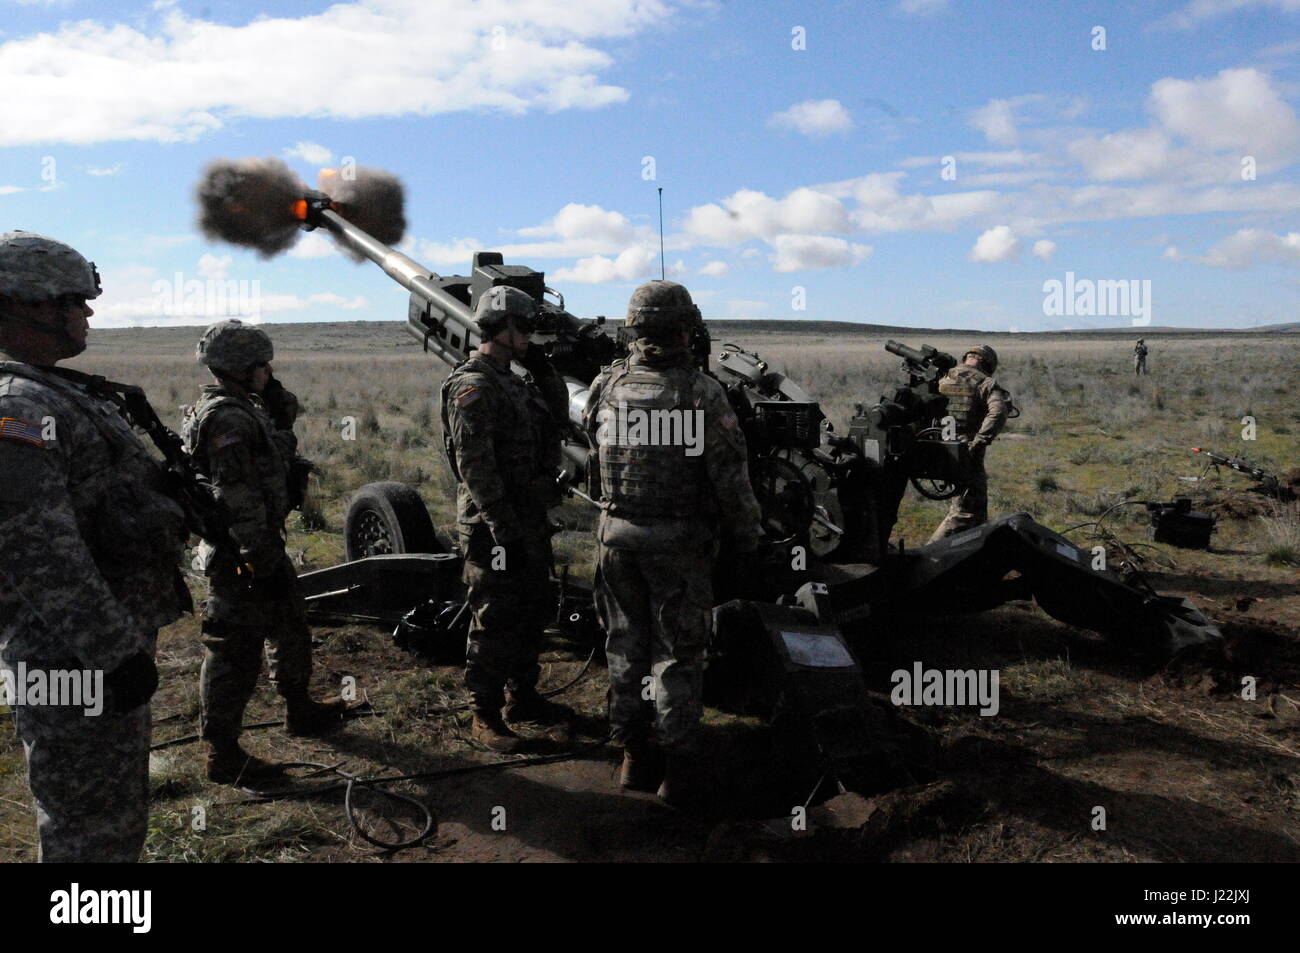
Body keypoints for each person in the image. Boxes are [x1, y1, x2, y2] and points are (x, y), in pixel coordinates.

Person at [0, 231, 190, 860]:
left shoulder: (54, 391)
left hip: (93, 654)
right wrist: (112, 653)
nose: (86, 314)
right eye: (75, 301)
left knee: (111, 817)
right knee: (90, 830)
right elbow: (36, 548)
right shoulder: (17, 406)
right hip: (72, 663)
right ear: (30, 305)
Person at [583, 280, 763, 807]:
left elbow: (594, 457)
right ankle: (678, 767)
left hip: (616, 539)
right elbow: (732, 481)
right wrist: (748, 541)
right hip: (677, 545)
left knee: (624, 646)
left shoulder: (607, 385)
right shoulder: (702, 393)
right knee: (677, 656)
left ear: (634, 328)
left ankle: (633, 757)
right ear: (687, 328)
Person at [183, 320, 343, 785]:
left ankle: (300, 708)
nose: (269, 370)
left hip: (264, 546)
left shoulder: (246, 408)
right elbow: (236, 495)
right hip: (241, 555)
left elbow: (274, 449)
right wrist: (257, 556)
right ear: (244, 366)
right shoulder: (229, 418)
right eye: (262, 364)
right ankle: (223, 752)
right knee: (234, 652)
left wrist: (278, 405)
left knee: (291, 625)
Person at [441, 285, 572, 753]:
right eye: (526, 328)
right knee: (494, 618)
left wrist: (545, 368)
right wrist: (502, 529)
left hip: (528, 519)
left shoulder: (515, 378)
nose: (531, 337)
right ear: (504, 328)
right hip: (494, 526)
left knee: (531, 609)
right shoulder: (472, 386)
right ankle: (484, 715)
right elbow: (475, 467)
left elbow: (558, 419)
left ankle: (523, 696)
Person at [926, 344, 1010, 543]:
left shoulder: (941, 377)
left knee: (977, 506)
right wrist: (979, 441)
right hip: (966, 453)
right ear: (987, 363)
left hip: (937, 447)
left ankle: (976, 548)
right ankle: (929, 554)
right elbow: (998, 412)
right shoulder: (986, 383)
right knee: (964, 512)